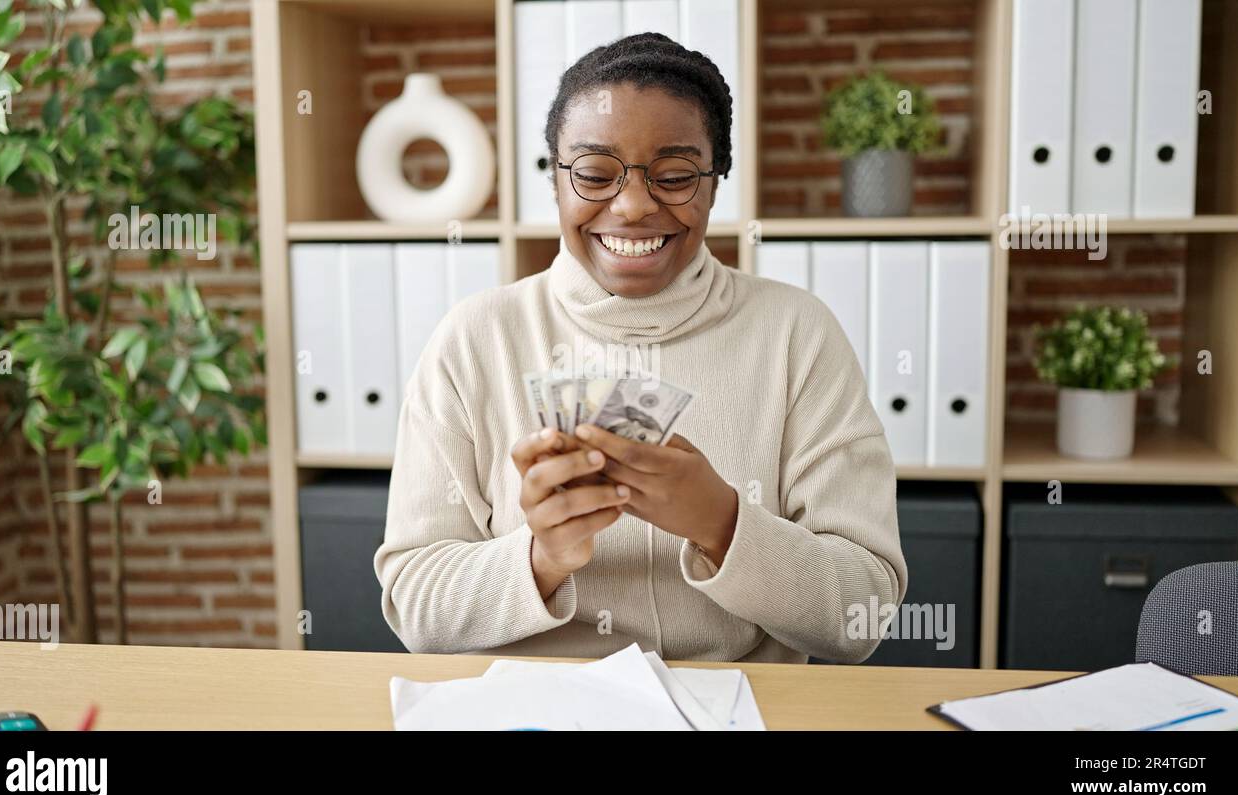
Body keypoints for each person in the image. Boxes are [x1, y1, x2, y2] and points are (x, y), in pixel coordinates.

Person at [373, 33, 906, 663]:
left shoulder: (799, 333)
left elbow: (863, 617)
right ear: (555, 180)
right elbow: (416, 611)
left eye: (675, 176)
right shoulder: (474, 338)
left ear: (714, 182)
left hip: (741, 707)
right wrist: (540, 560)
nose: (631, 206)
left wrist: (722, 524)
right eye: (595, 175)